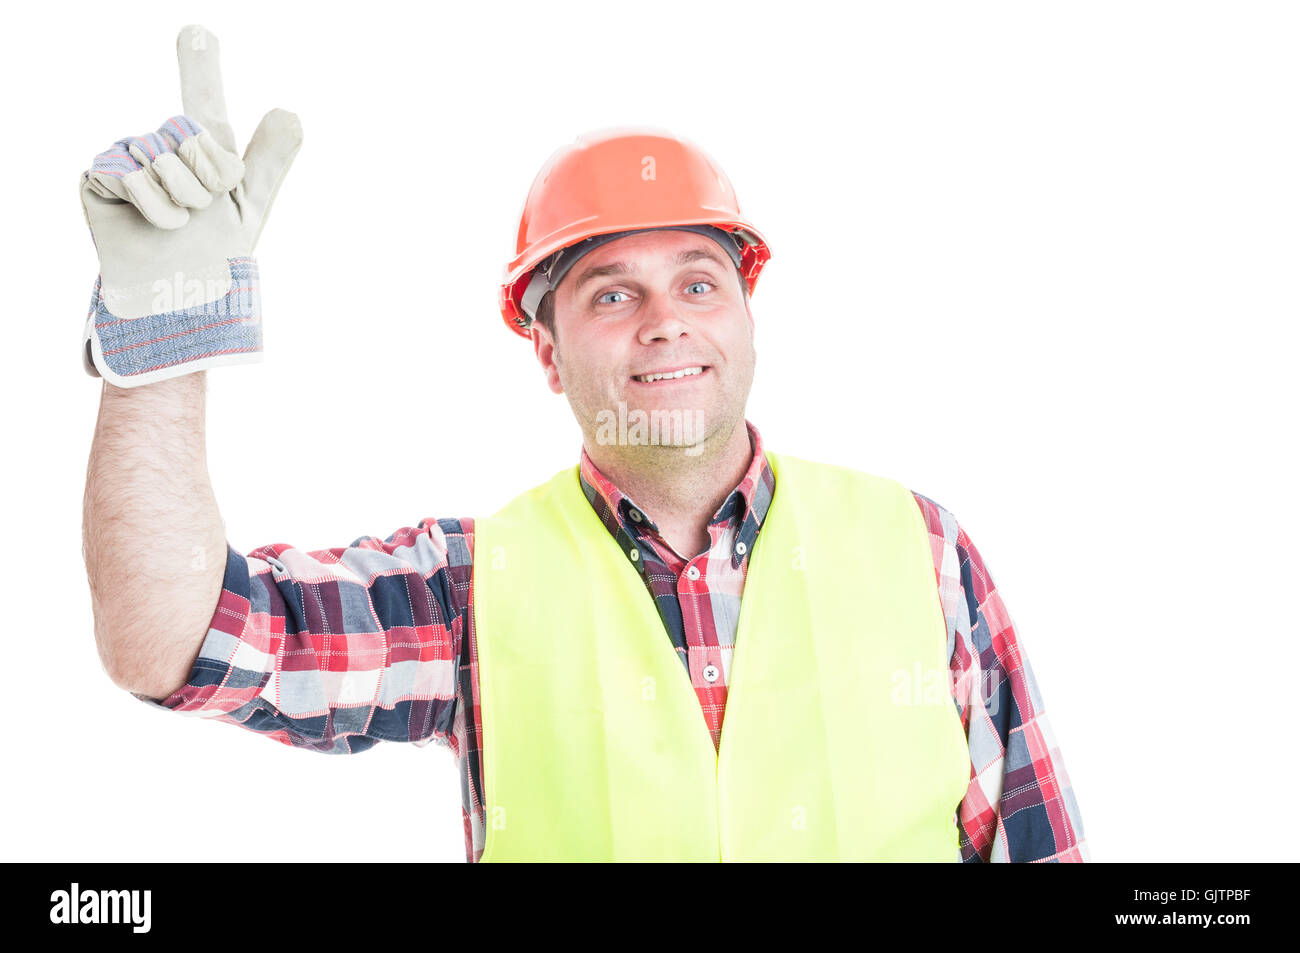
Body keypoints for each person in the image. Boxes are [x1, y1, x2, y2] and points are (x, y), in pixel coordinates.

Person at [81, 25, 1088, 863]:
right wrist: (168, 330)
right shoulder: (469, 587)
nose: (666, 321)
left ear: (746, 313)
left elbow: (1039, 844)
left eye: (698, 281)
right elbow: (178, 638)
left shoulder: (919, 550)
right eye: (613, 294)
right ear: (548, 351)